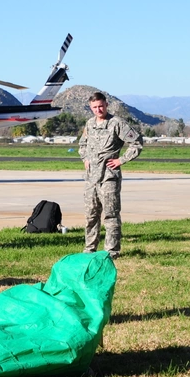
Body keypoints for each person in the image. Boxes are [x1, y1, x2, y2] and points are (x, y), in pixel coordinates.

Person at [78, 92, 142, 259]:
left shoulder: (116, 123)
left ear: (106, 105)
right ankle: (89, 249)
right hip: (91, 178)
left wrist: (121, 160)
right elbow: (82, 144)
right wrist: (85, 158)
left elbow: (136, 143)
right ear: (90, 108)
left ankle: (111, 252)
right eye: (94, 107)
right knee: (91, 215)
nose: (98, 110)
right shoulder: (90, 124)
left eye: (101, 106)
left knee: (110, 214)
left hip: (108, 177)